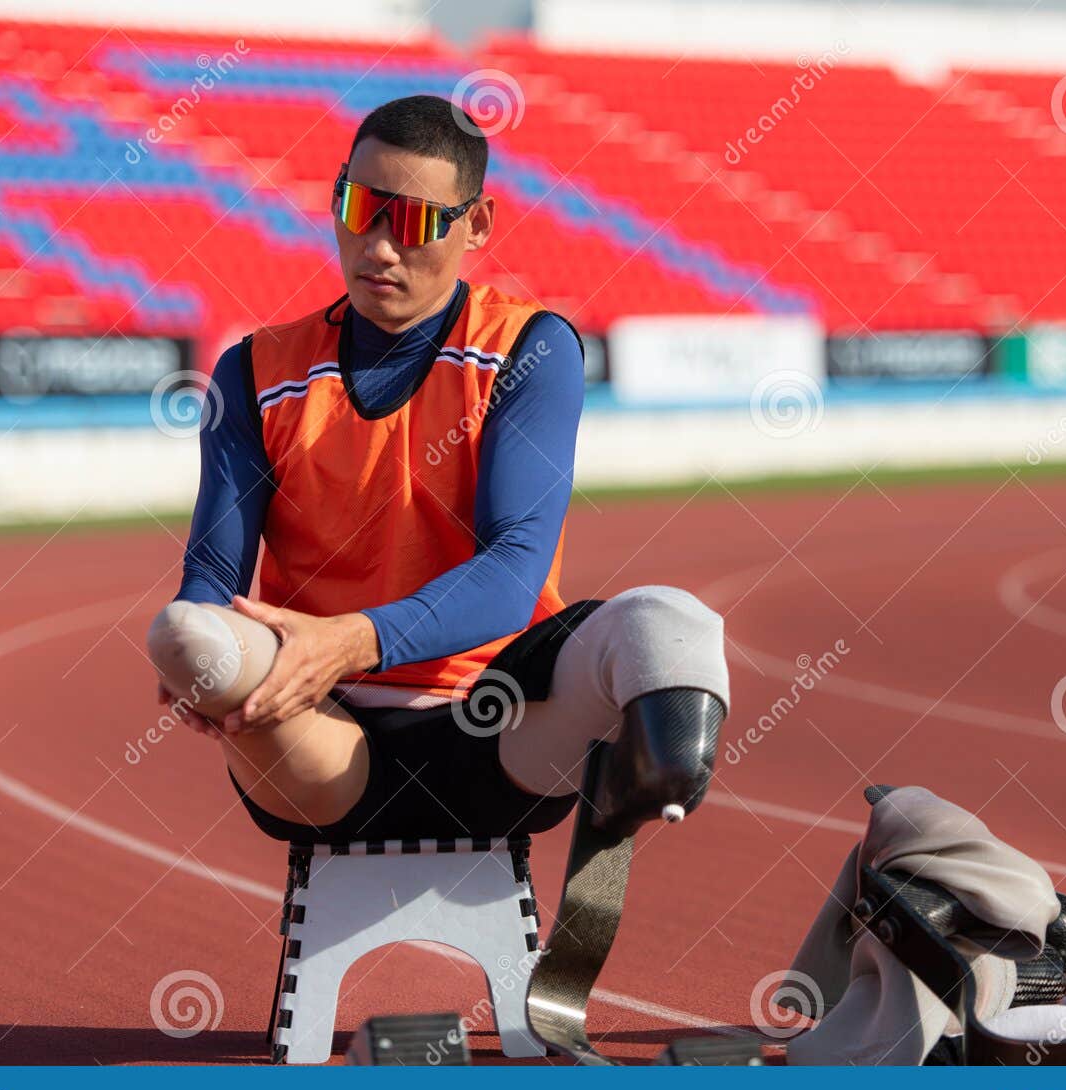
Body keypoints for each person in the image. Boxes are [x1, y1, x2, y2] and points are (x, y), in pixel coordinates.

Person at [145, 94, 730, 845]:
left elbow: (513, 573)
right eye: (360, 208)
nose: (380, 247)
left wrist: (350, 640)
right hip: (317, 734)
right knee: (185, 633)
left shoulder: (531, 349)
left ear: (477, 225)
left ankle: (660, 786)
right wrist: (202, 652)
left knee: (669, 620)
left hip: (501, 737)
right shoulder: (253, 371)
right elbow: (211, 572)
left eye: (416, 221)